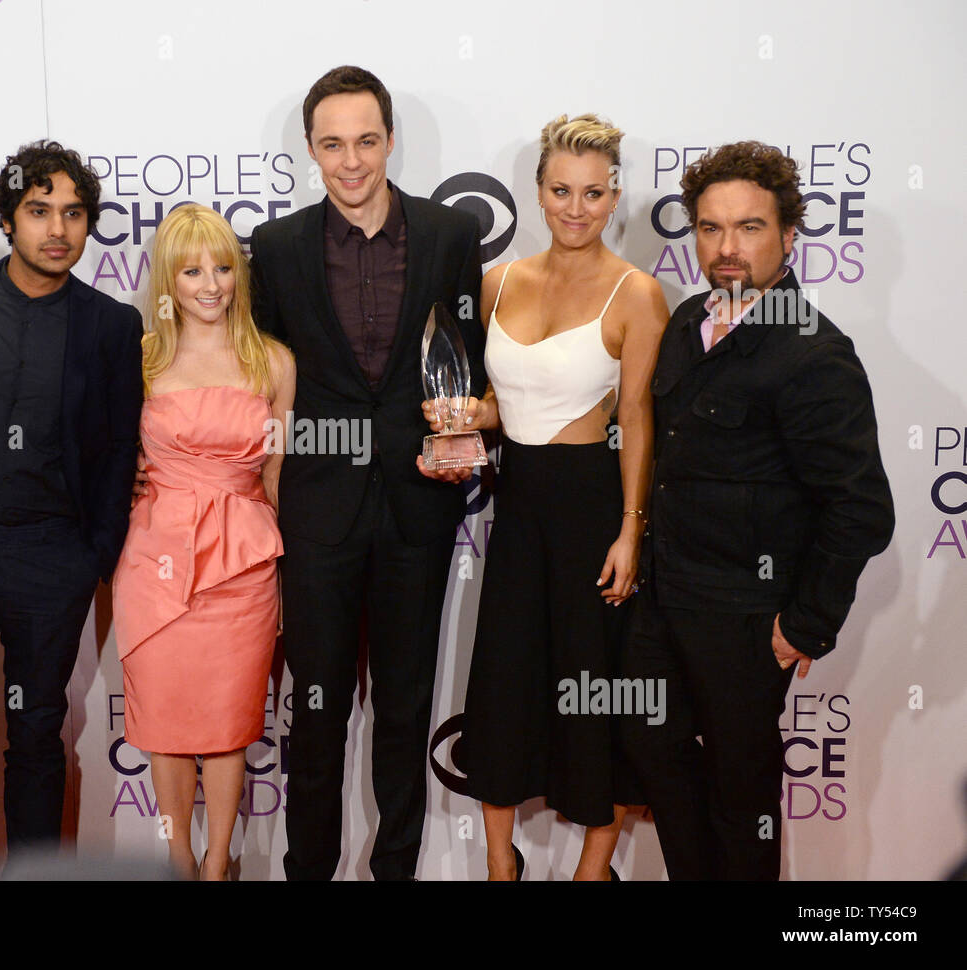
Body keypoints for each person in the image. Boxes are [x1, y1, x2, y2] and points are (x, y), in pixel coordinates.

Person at [619, 141, 895, 880]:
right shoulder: (685, 323)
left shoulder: (814, 355)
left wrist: (805, 624)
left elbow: (861, 508)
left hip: (745, 615)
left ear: (788, 236)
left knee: (744, 799)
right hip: (664, 597)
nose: (727, 247)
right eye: (711, 228)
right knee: (653, 750)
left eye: (748, 228)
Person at [248, 65, 485, 881]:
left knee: (404, 710)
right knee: (314, 717)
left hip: (419, 507)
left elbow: (467, 368)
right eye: (332, 144)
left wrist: (464, 432)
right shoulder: (276, 249)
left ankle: (396, 872)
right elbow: (262, 382)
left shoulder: (450, 236)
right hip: (315, 515)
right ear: (310, 150)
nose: (351, 161)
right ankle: (307, 870)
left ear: (390, 140)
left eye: (367, 141)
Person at [429, 115, 669, 880]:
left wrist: (631, 530)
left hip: (595, 512)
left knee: (596, 690)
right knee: (502, 684)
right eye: (561, 190)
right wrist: (470, 416)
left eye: (593, 193)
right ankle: (502, 863)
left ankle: (592, 866)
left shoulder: (638, 294)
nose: (576, 207)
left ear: (614, 198)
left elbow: (635, 420)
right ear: (536, 192)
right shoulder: (499, 282)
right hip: (518, 512)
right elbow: (507, 404)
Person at [0, 140, 144, 880]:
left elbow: (117, 450)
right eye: (39, 211)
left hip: (53, 560)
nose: (58, 230)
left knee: (40, 738)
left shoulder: (110, 325)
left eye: (74, 214)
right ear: (8, 219)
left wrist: (94, 555)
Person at [114, 204, 294, 881]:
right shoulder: (138, 361)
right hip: (154, 563)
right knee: (163, 725)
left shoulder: (271, 362)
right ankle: (177, 860)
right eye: (192, 271)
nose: (210, 284)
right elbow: (108, 457)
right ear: (169, 278)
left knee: (227, 723)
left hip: (244, 565)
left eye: (222, 267)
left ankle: (219, 864)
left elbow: (276, 474)